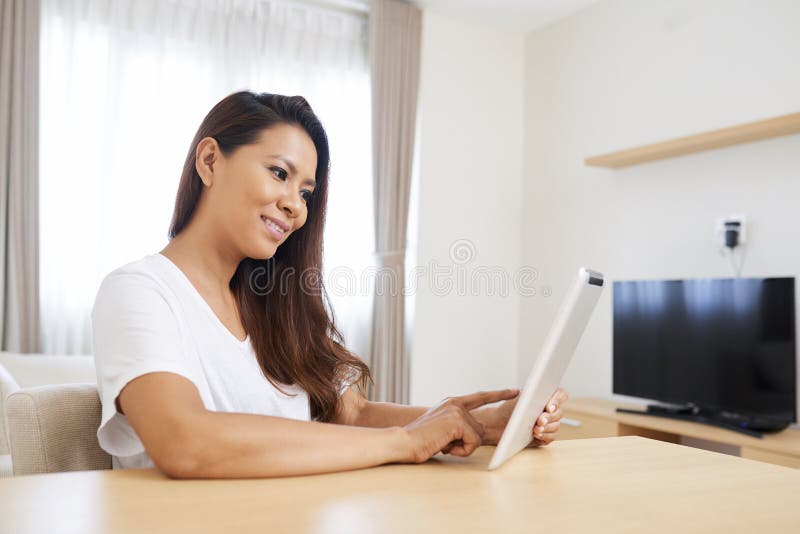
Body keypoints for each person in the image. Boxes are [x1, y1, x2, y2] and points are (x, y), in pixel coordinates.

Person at [92, 91, 569, 479]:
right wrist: (406, 442)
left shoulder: (274, 303)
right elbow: (185, 443)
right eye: (279, 173)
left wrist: (476, 425)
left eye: (305, 192)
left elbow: (352, 415)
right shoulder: (138, 292)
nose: (296, 207)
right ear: (211, 161)